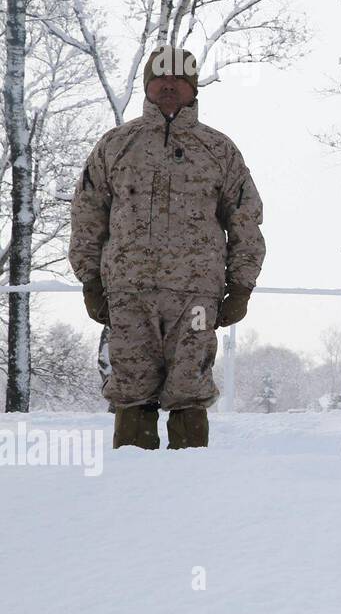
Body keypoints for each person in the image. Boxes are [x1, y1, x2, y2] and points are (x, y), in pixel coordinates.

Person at [70, 46, 266, 449]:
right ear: (148, 86)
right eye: (161, 80)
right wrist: (90, 280)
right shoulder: (117, 145)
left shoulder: (218, 150)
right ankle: (133, 487)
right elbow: (88, 213)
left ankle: (187, 491)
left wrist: (241, 287)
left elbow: (245, 217)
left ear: (193, 88)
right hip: (128, 293)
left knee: (190, 388)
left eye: (179, 80)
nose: (169, 87)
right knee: (131, 388)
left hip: (196, 298)